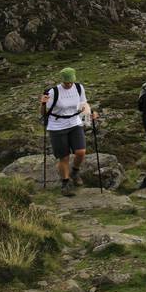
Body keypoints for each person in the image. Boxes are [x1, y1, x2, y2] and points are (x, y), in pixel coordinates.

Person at [39, 67, 96, 196]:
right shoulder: (53, 92)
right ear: (62, 80)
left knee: (81, 152)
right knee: (64, 157)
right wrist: (42, 104)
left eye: (71, 82)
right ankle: (65, 183)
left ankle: (75, 172)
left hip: (75, 123)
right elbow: (44, 113)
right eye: (66, 82)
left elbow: (83, 104)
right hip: (57, 126)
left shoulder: (79, 88)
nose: (69, 84)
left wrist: (90, 115)